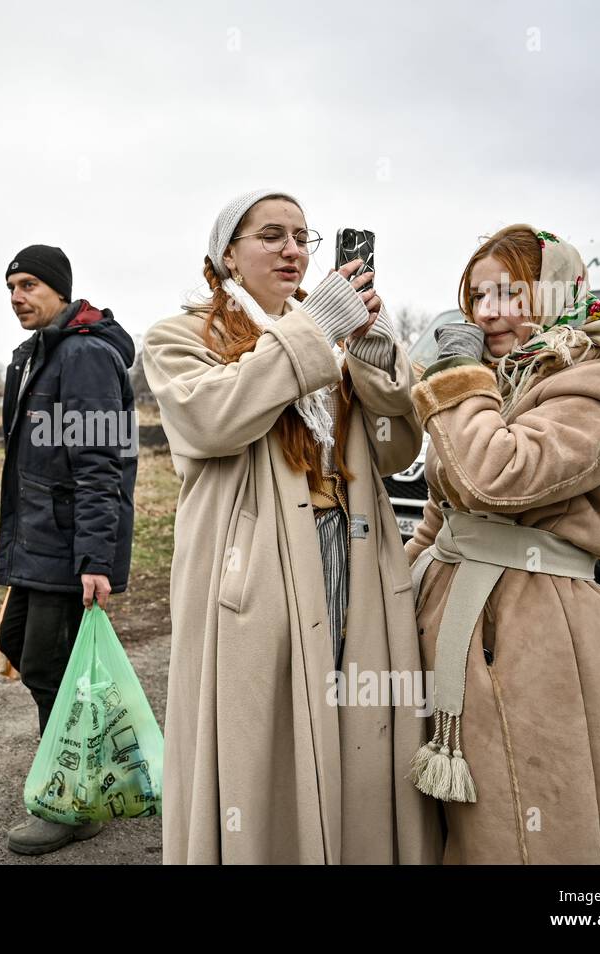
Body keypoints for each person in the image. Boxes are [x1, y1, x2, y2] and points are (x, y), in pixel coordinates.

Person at [142, 189, 442, 864]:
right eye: (271, 235)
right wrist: (314, 327)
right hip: (254, 568)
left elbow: (395, 449)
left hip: (355, 556)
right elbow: (211, 420)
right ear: (227, 255)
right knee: (263, 735)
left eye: (303, 237)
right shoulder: (180, 337)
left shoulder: (330, 339)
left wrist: (371, 353)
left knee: (354, 725)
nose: (293, 250)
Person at [406, 225, 600, 864]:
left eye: (510, 294)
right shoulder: (496, 381)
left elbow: (496, 477)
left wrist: (459, 377)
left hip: (535, 628)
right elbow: (443, 510)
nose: (488, 314)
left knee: (529, 816)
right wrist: (394, 593)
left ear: (552, 293)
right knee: (453, 827)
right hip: (449, 617)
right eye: (477, 296)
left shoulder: (599, 384)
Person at [0, 243, 138, 856]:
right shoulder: (39, 356)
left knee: (53, 668)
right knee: (22, 649)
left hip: (69, 547)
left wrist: (96, 559)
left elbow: (101, 464)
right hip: (39, 543)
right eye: (11, 288)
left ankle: (73, 803)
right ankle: (86, 778)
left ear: (59, 288)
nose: (18, 298)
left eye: (28, 285)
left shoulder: (82, 356)